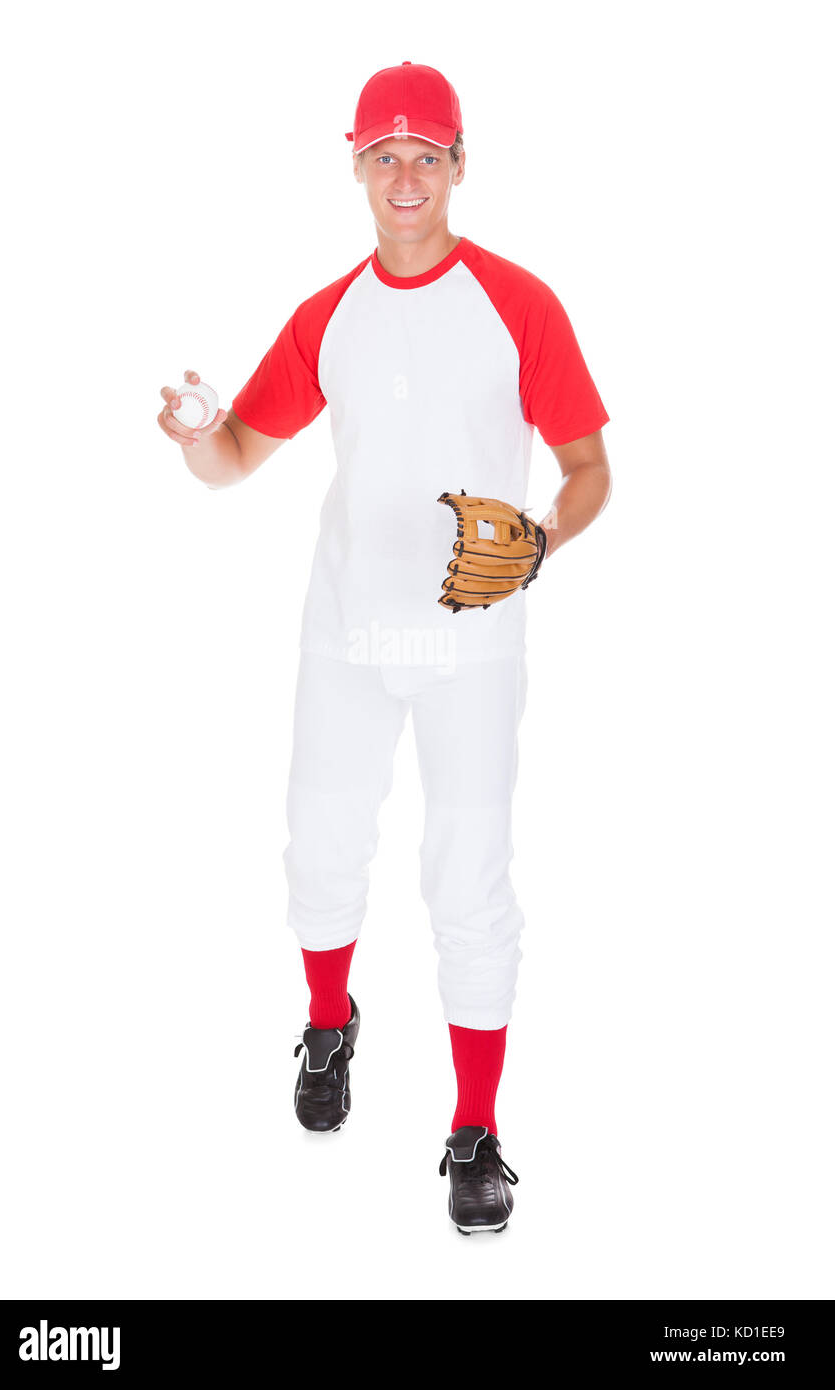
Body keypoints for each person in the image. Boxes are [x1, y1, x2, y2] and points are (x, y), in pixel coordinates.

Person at [157, 60, 611, 1235]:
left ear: (459, 166)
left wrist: (546, 539)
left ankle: (474, 1129)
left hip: (473, 638)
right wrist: (200, 432)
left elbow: (587, 466)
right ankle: (327, 1022)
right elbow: (233, 460)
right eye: (382, 154)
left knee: (468, 879)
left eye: (426, 154)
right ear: (355, 165)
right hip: (347, 628)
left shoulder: (520, 303)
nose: (403, 175)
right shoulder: (327, 315)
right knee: (320, 847)